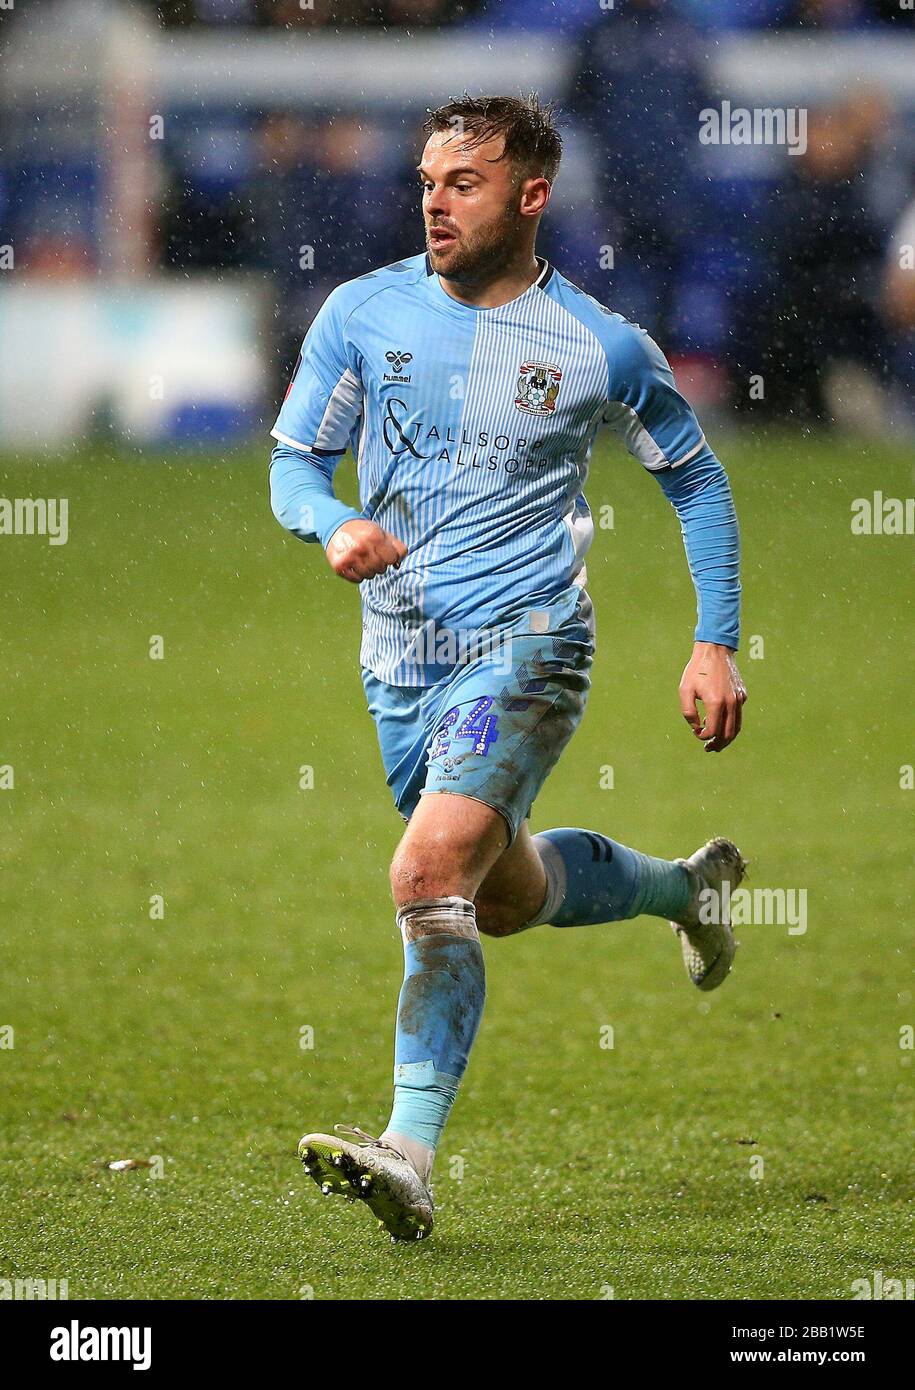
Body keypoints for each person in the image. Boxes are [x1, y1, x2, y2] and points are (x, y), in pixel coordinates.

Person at [269, 95, 747, 1243]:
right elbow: (294, 462)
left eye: (465, 181)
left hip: (530, 646)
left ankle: (410, 1151)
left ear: (532, 195)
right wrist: (330, 525)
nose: (435, 199)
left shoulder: (599, 346)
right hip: (400, 663)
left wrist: (715, 636)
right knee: (503, 893)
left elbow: (695, 480)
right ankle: (690, 888)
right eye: (428, 178)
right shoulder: (360, 312)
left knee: (425, 866)